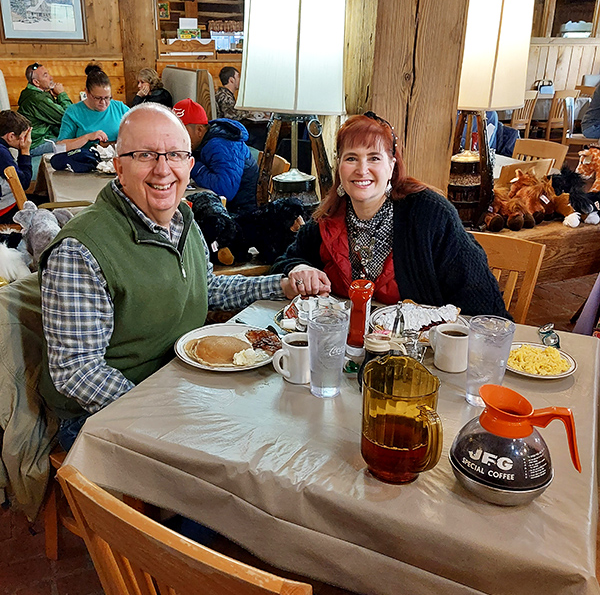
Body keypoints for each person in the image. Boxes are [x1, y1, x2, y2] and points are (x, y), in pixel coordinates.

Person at [39, 103, 299, 449]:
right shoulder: (80, 251)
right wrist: (164, 416)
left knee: (279, 422)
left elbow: (207, 287)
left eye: (175, 155)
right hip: (101, 415)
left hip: (179, 384)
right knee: (235, 457)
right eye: (145, 155)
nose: (163, 169)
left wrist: (281, 284)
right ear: (119, 167)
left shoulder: (182, 219)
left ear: (190, 165)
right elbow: (77, 371)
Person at [271, 112, 508, 316]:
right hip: (344, 345)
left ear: (392, 165)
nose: (362, 169)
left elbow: (484, 305)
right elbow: (286, 262)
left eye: (374, 158)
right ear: (339, 165)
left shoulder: (430, 214)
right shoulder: (328, 217)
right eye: (351, 158)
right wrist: (298, 269)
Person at [174, 98, 258, 214]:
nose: (177, 139)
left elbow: (224, 190)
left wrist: (192, 165)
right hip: (222, 210)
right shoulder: (204, 142)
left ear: (199, 130)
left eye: (182, 132)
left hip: (238, 214)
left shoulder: (221, 144)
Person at [58, 63, 128, 143]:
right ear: (87, 92)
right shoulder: (73, 112)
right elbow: (60, 145)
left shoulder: (120, 108)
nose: (103, 102)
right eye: (98, 98)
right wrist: (86, 137)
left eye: (107, 97)